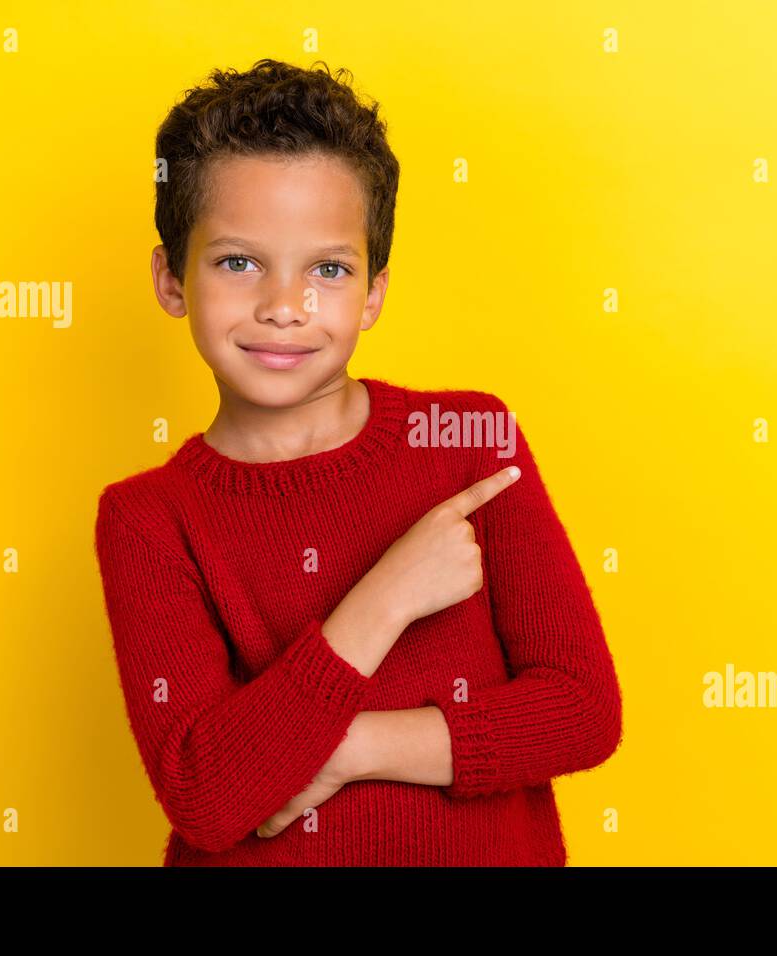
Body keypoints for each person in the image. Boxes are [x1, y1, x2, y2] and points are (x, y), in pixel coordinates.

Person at [94, 58, 623, 865]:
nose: (284, 305)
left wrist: (342, 749)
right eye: (238, 262)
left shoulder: (468, 439)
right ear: (172, 280)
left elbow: (581, 710)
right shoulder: (147, 520)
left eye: (328, 270)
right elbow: (206, 794)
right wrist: (386, 597)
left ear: (373, 292)